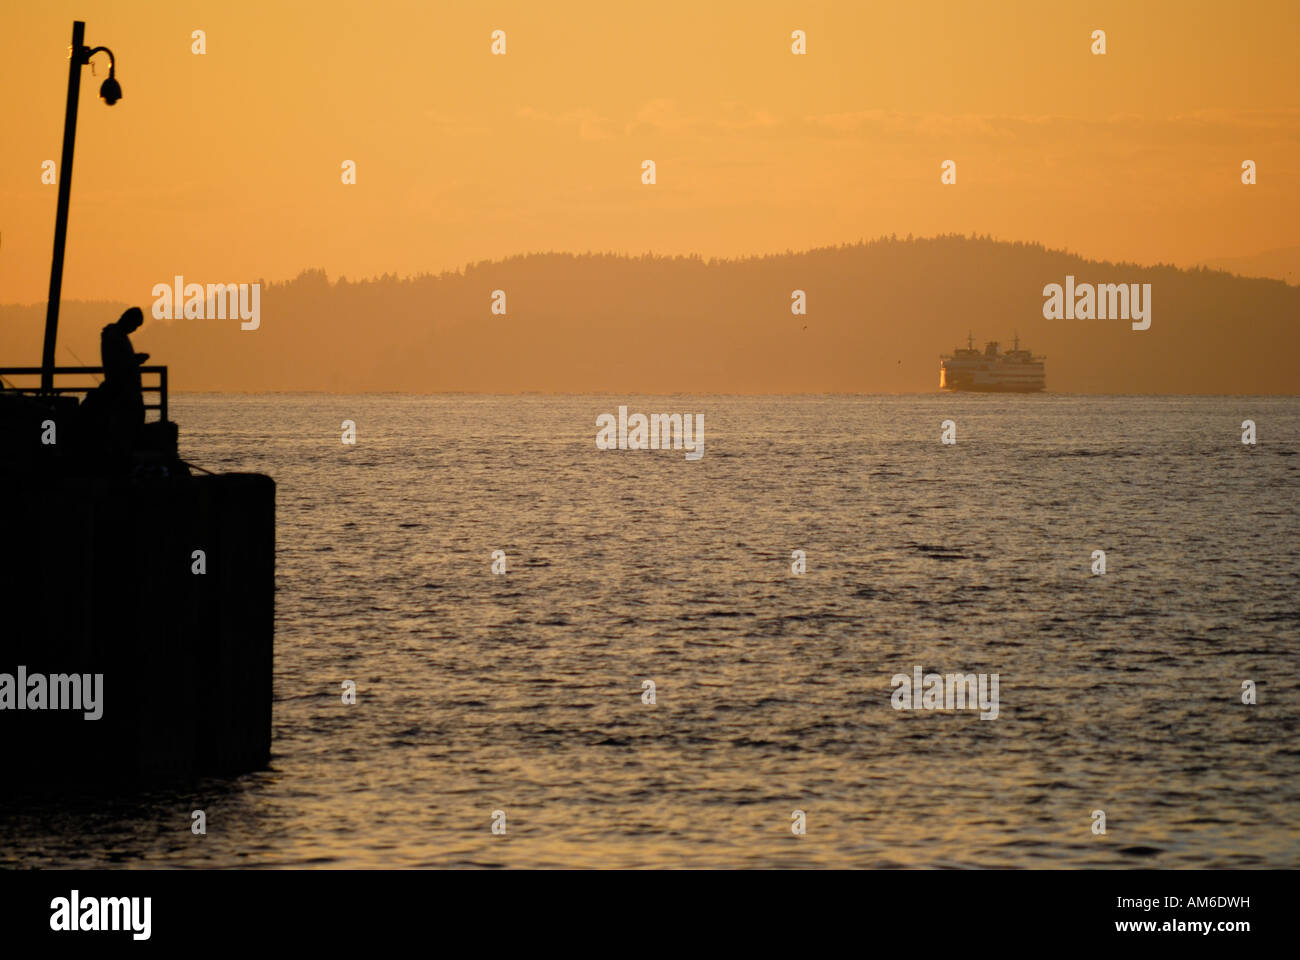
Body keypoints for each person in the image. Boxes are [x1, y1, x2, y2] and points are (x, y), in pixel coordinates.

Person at [100, 306, 149, 427]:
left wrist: (133, 358)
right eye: (135, 325)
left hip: (126, 390)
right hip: (124, 391)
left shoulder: (115, 335)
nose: (135, 329)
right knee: (130, 426)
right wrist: (136, 359)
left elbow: (122, 358)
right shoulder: (116, 336)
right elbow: (119, 362)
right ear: (128, 320)